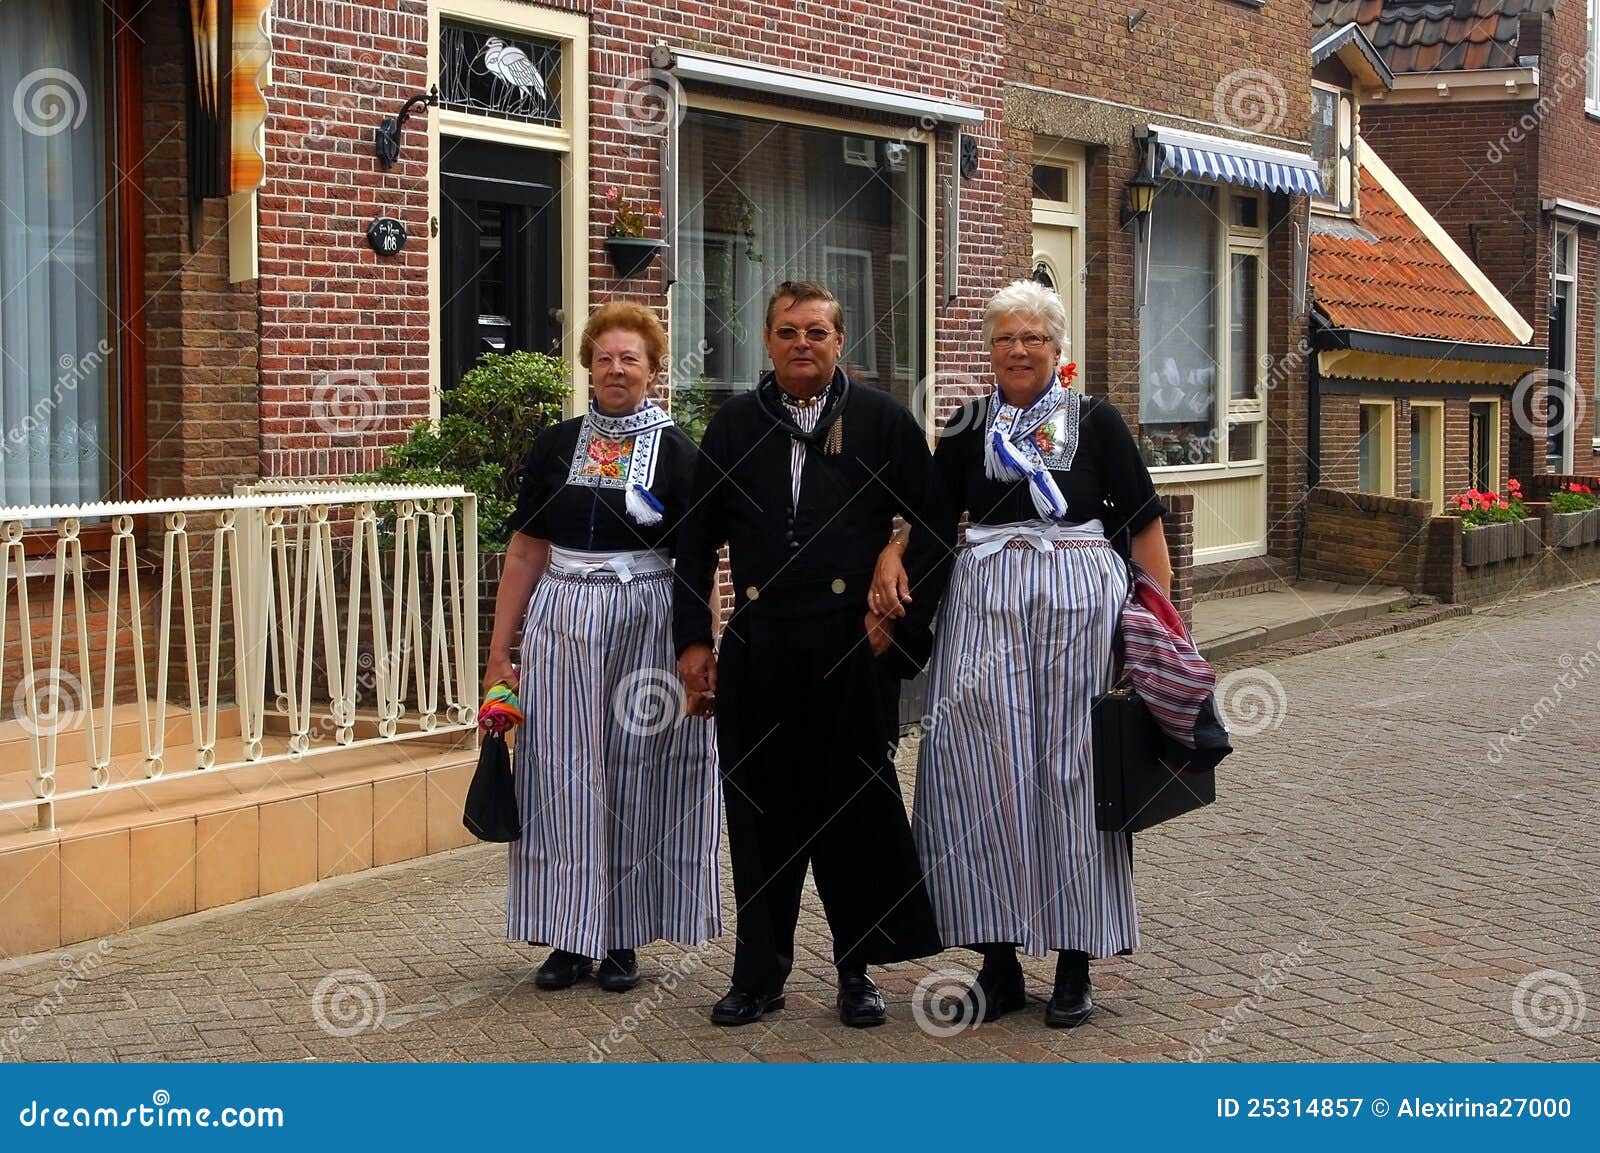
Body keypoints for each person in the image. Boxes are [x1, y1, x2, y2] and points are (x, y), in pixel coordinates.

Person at [885, 278, 1171, 1028]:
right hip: (986, 614)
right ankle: (999, 962)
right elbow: (931, 520)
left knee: (1074, 776)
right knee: (980, 773)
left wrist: (1158, 625)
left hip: (1081, 612)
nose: (1019, 349)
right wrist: (893, 561)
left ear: (1056, 348)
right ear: (989, 348)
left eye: (1033, 338)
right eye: (1006, 338)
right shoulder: (967, 422)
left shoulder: (1098, 422)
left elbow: (1144, 529)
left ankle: (1075, 963)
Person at [673, 281, 942, 1028]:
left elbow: (934, 520)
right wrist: (694, 639)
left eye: (817, 332)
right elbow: (694, 542)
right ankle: (760, 974)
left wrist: (896, 568)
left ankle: (857, 971)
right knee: (761, 820)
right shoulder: (733, 425)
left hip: (849, 652)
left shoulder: (884, 421)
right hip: (759, 651)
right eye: (788, 331)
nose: (802, 344)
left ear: (839, 341)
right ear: (766, 340)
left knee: (850, 817)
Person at [483, 301, 721, 994]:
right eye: (605, 357)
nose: (617, 369)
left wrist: (697, 648)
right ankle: (566, 932)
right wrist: (502, 650)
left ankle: (618, 934)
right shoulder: (555, 444)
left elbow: (697, 560)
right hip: (562, 617)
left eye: (631, 359)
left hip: (645, 618)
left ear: (653, 371)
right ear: (588, 364)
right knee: (557, 769)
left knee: (631, 769)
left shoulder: (680, 451)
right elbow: (527, 548)